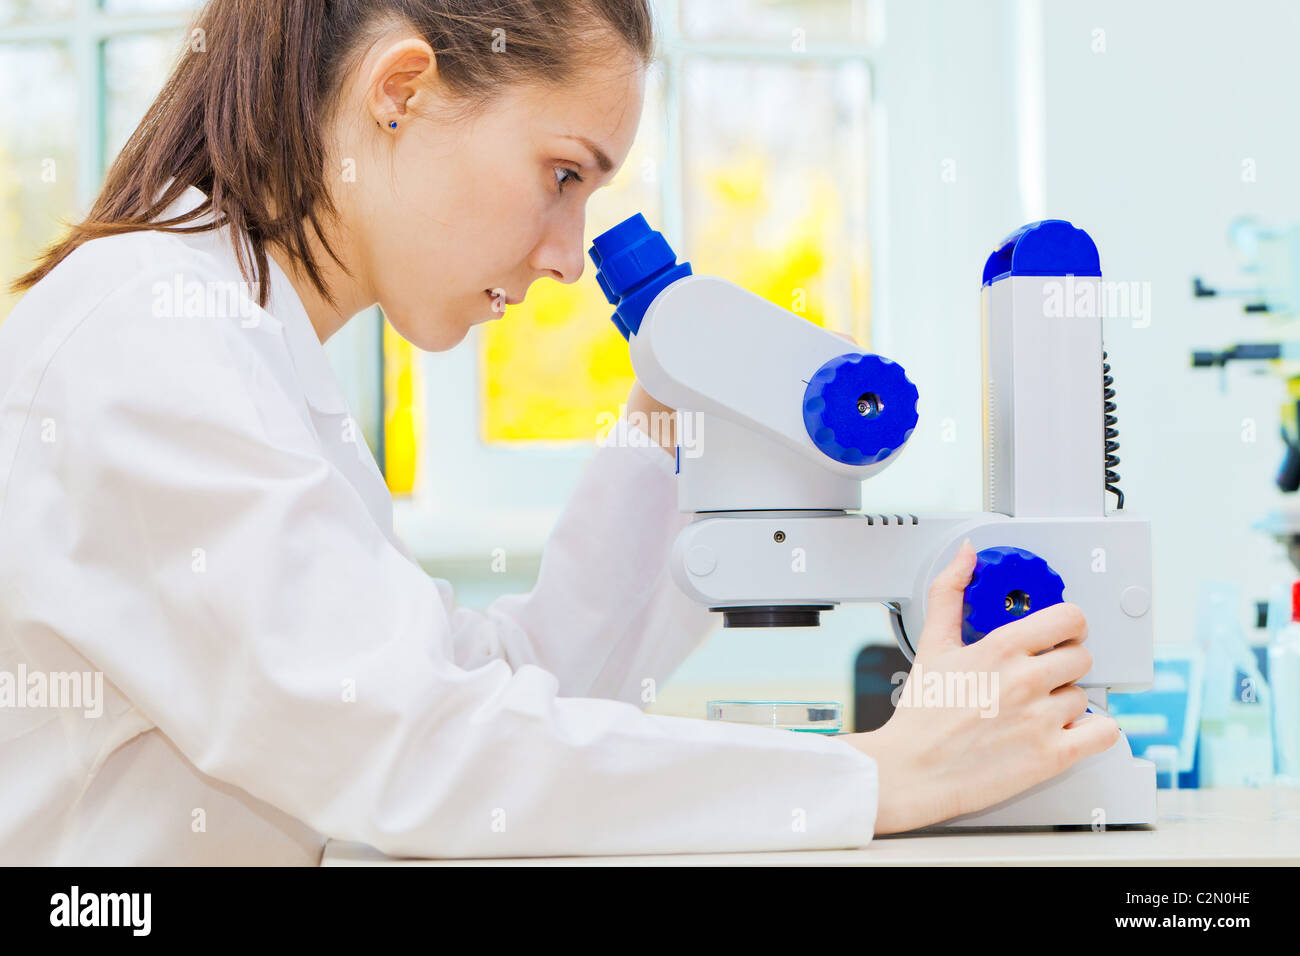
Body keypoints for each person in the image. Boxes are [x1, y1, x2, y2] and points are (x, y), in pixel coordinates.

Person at [0, 0, 1119, 865]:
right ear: (400, 92)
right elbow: (418, 741)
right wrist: (878, 777)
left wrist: (674, 431)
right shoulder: (151, 332)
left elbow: (497, 683)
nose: (569, 253)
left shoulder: (249, 343)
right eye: (561, 173)